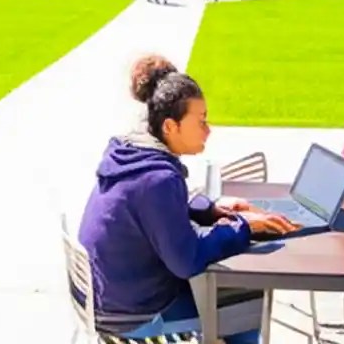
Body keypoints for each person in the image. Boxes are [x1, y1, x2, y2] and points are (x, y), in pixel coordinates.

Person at [77, 56, 298, 343]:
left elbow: (160, 213)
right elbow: (187, 260)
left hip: (111, 296)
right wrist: (244, 226)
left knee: (230, 296)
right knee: (241, 305)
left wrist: (210, 212)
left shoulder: (131, 153)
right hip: (133, 313)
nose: (209, 130)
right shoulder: (158, 178)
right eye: (201, 121)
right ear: (170, 126)